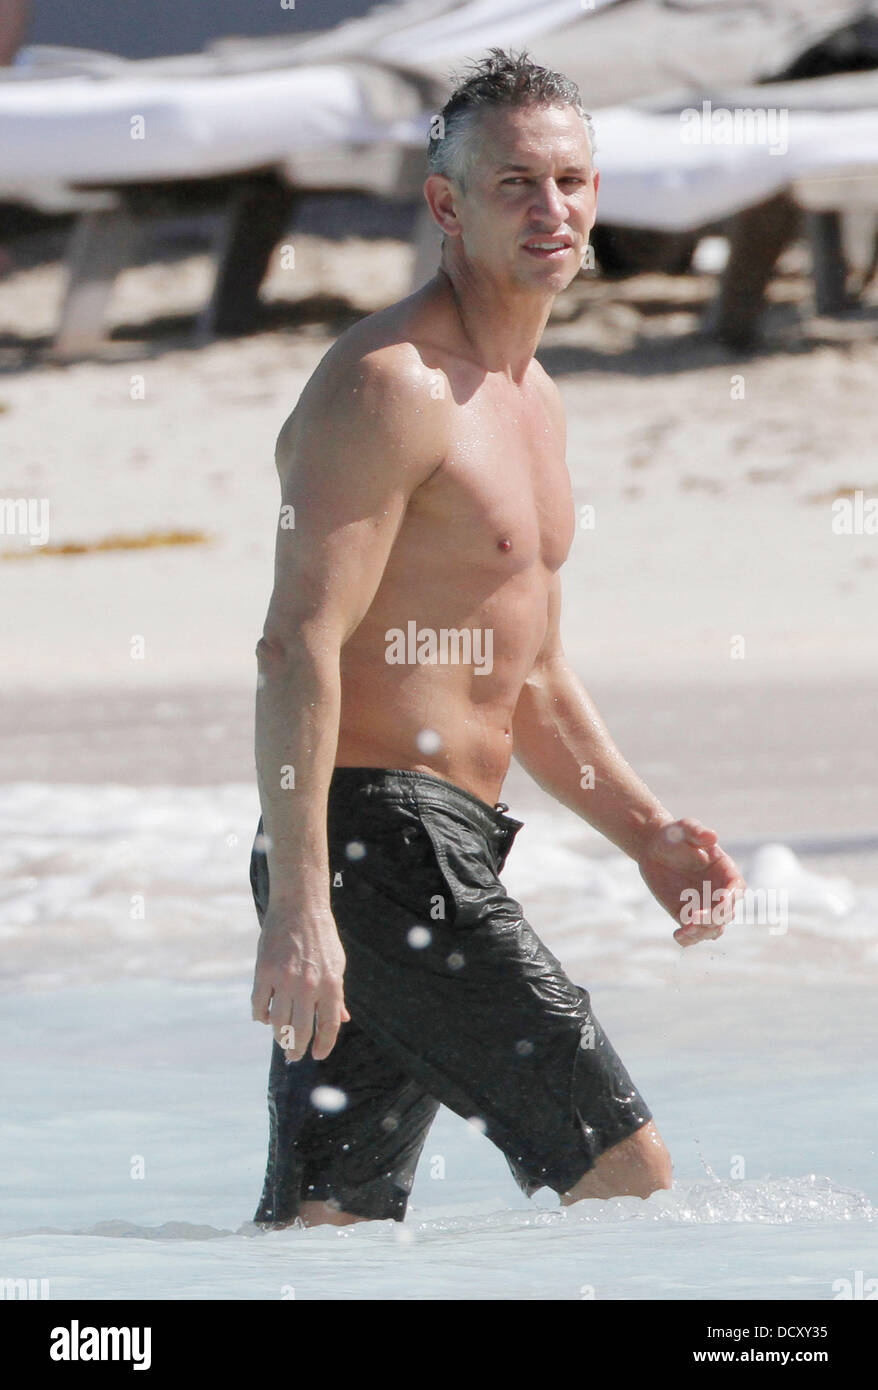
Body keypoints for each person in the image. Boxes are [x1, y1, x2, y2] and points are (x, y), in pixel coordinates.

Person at [248, 49, 746, 1229]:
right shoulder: (389, 384)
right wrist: (302, 904)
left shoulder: (533, 398)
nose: (552, 208)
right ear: (445, 205)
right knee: (626, 1179)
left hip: (432, 843)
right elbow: (294, 648)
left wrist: (646, 833)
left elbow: (524, 673)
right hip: (375, 845)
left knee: (328, 1238)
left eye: (571, 180)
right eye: (515, 182)